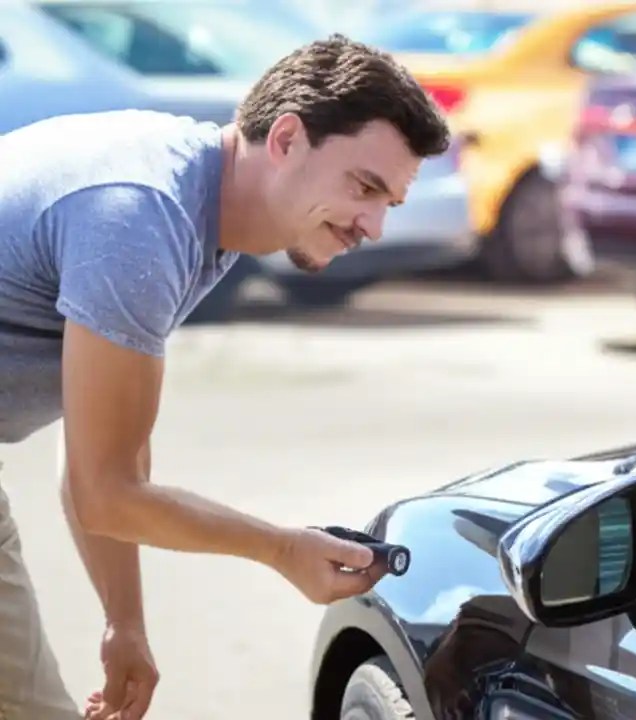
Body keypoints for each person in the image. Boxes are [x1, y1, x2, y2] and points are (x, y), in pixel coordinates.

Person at [0, 34, 450, 720]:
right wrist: (279, 549)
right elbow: (107, 492)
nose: (374, 226)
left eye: (390, 201)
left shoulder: (202, 209)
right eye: (364, 187)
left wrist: (125, 621)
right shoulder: (142, 217)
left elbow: (108, 454)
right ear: (288, 139)